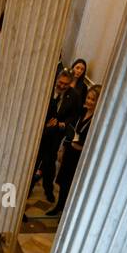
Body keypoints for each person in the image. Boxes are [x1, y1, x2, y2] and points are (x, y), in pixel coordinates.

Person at [46, 85, 101, 217]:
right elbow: (71, 130)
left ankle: (67, 212)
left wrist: (82, 148)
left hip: (81, 157)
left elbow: (96, 142)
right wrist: (63, 148)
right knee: (63, 182)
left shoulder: (98, 119)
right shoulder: (82, 112)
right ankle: (59, 206)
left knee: (73, 185)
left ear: (99, 101)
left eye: (93, 99)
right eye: (88, 98)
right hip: (70, 152)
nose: (89, 101)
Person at [33, 70, 79, 202]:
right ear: (57, 80)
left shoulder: (74, 96)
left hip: (56, 137)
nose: (62, 86)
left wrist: (63, 124)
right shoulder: (47, 90)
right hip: (41, 133)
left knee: (49, 164)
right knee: (34, 163)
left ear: (70, 83)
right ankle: (27, 190)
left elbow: (74, 116)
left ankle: (48, 190)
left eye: (66, 84)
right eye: (60, 83)